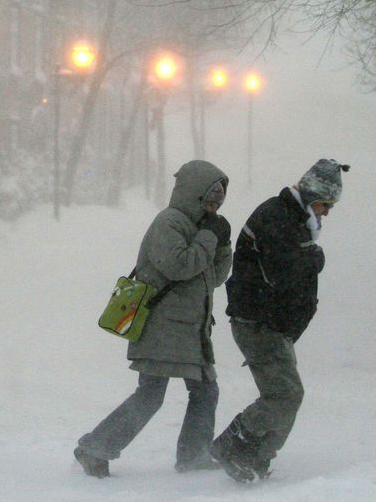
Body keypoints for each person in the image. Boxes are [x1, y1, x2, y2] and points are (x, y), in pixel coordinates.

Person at [74, 160, 233, 477]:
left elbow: (212, 278)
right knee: (151, 395)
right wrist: (208, 239)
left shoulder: (201, 228)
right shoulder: (169, 223)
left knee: (203, 391)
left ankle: (193, 456)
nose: (215, 205)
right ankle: (95, 449)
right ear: (193, 193)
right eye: (210, 198)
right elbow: (180, 266)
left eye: (219, 199)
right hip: (162, 326)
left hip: (190, 330)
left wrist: (223, 244)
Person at [211, 159, 350, 483]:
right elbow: (280, 274)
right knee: (285, 395)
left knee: (288, 394)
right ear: (312, 195)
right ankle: (234, 446)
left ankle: (253, 457)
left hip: (271, 324)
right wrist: (315, 259)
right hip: (258, 322)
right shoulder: (277, 217)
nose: (327, 212)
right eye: (325, 204)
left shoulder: (292, 218)